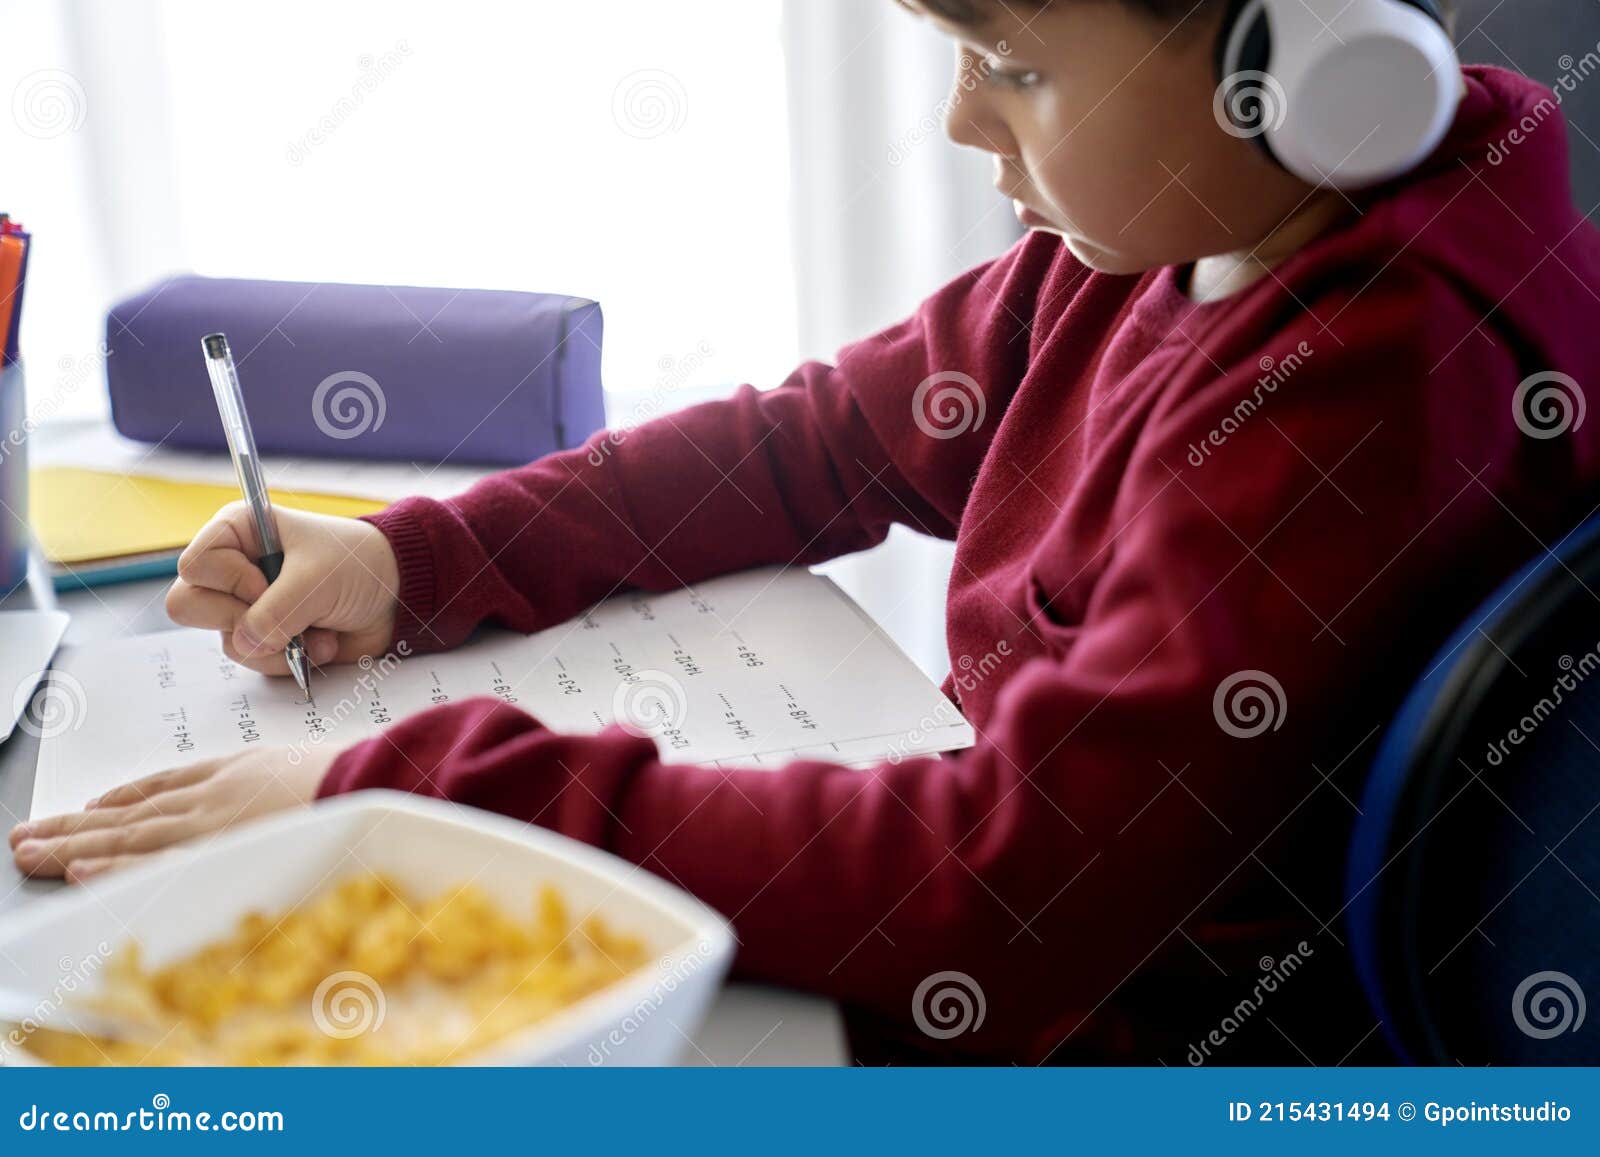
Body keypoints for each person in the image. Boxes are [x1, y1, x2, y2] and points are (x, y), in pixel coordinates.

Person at [14, 0, 1600, 1063]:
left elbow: (1014, 889)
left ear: (1308, 58)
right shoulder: (1172, 234)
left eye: (1015, 61)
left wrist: (412, 789)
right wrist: (423, 557)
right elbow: (811, 446)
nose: (966, 122)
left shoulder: (1377, 382)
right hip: (1055, 943)